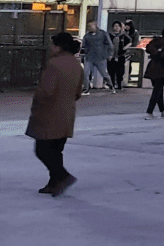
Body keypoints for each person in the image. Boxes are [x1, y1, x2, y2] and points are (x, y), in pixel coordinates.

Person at [28, 30, 84, 196]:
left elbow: (45, 91)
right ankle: (54, 183)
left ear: (59, 47)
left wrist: (36, 104)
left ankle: (62, 176)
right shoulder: (76, 64)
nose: (51, 48)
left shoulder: (54, 64)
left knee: (42, 149)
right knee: (56, 150)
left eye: (53, 44)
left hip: (49, 114)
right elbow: (78, 92)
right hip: (67, 113)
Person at [143, 25, 164, 118]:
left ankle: (162, 110)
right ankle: (149, 111)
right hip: (161, 68)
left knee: (158, 90)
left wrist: (156, 52)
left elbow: (148, 48)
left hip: (152, 66)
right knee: (157, 90)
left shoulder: (156, 40)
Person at [80, 20, 111, 94]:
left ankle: (111, 85)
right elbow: (83, 45)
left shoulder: (102, 34)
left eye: (90, 26)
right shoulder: (87, 36)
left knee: (104, 73)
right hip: (89, 57)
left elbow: (109, 44)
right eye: (88, 26)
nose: (89, 28)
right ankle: (86, 89)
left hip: (100, 57)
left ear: (95, 25)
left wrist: (109, 54)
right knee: (86, 73)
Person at [107, 20, 129, 92]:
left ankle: (119, 84)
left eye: (118, 26)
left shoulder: (123, 35)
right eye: (115, 26)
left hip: (120, 56)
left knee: (120, 71)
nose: (116, 28)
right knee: (111, 71)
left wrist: (125, 48)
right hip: (111, 57)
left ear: (120, 27)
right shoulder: (109, 35)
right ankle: (112, 85)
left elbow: (130, 41)